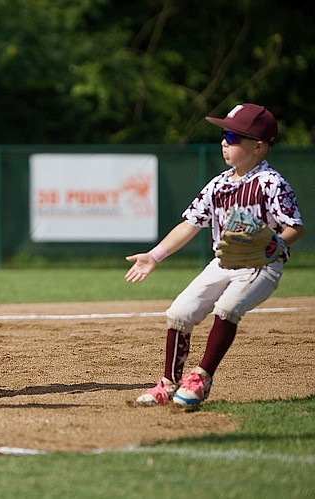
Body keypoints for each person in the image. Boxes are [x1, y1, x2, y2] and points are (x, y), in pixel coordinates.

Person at [125, 103, 304, 409]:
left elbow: (294, 227)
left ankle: (201, 377)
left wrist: (273, 245)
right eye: (224, 134)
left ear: (258, 147)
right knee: (179, 312)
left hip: (260, 265)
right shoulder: (219, 184)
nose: (225, 141)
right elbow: (190, 224)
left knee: (228, 307)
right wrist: (155, 256)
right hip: (222, 263)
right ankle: (169, 383)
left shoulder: (271, 184)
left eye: (234, 136)